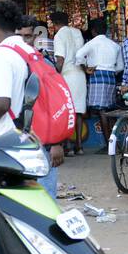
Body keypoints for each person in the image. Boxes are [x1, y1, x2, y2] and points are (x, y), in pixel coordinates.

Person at [0, 0, 64, 198]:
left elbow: (2, 104)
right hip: (36, 139)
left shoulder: (1, 54)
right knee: (43, 205)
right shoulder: (29, 51)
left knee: (15, 207)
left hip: (11, 143)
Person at [77, 19, 123, 152]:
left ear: (93, 31)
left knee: (102, 111)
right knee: (109, 110)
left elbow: (78, 55)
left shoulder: (92, 43)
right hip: (111, 76)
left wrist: (85, 68)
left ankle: (110, 145)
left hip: (97, 75)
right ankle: (113, 141)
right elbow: (120, 66)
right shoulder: (115, 45)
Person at [49, 11, 87, 153]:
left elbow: (60, 60)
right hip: (80, 75)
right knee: (77, 112)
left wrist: (52, 76)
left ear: (55, 23)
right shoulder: (77, 32)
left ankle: (67, 147)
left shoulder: (59, 35)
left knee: (65, 111)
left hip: (67, 75)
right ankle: (79, 146)